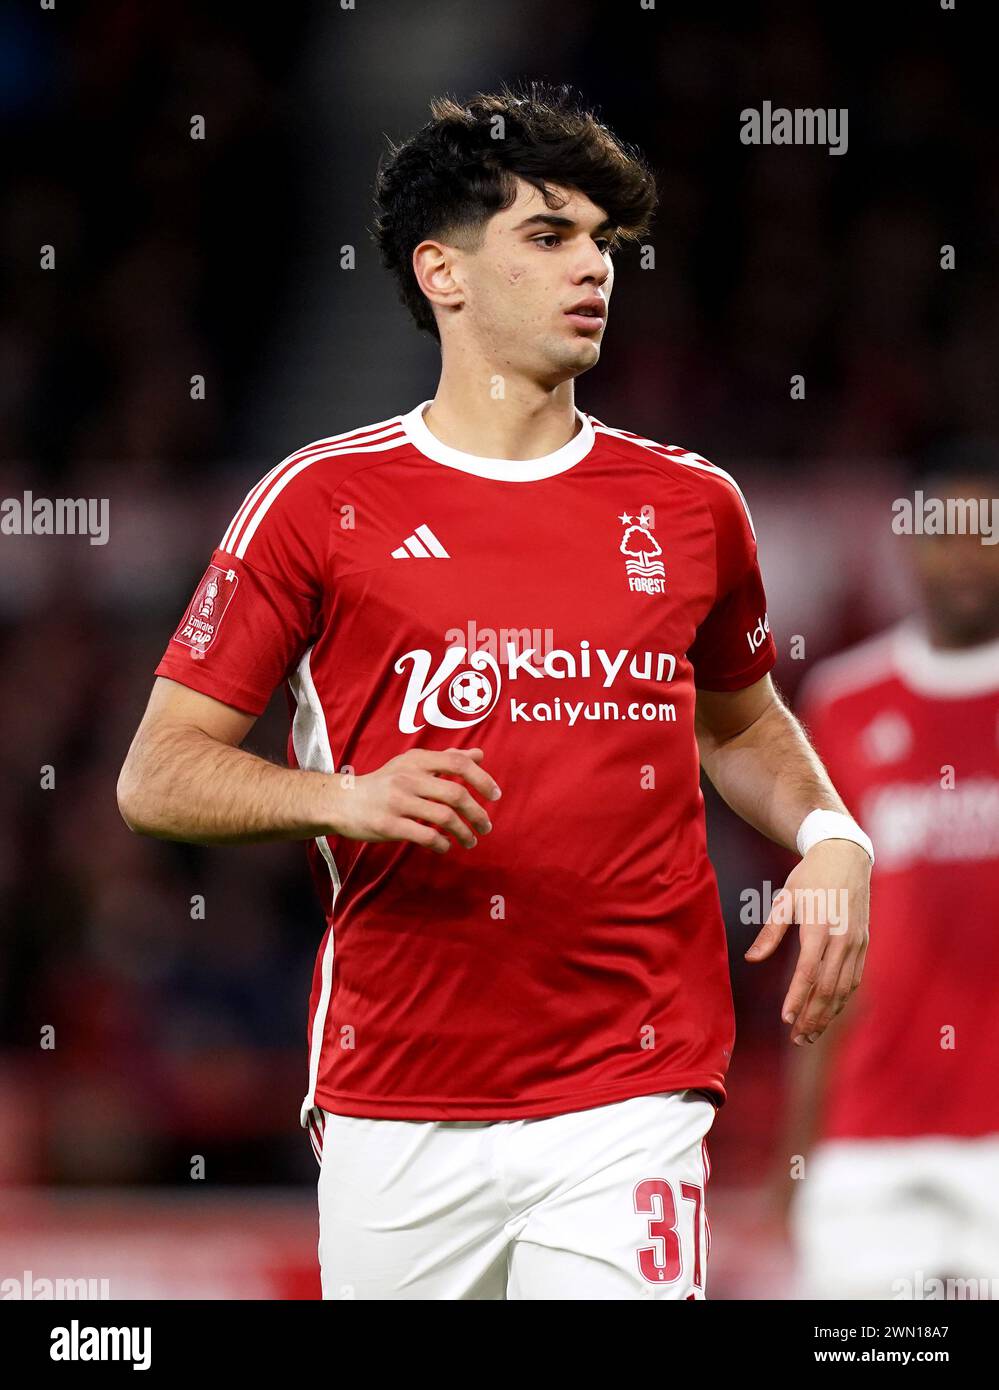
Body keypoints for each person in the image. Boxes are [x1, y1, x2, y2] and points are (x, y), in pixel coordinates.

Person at [117, 82, 872, 1300]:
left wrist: (829, 833)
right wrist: (346, 797)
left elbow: (737, 720)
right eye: (548, 234)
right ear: (442, 274)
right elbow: (156, 775)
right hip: (398, 1095)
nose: (595, 268)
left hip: (633, 1085)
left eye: (602, 243)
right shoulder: (318, 502)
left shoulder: (690, 505)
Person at [784, 448, 999, 1300]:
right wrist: (793, 1146)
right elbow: (823, 941)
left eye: (986, 534)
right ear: (906, 545)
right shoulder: (840, 703)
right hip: (867, 1131)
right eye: (944, 533)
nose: (964, 554)